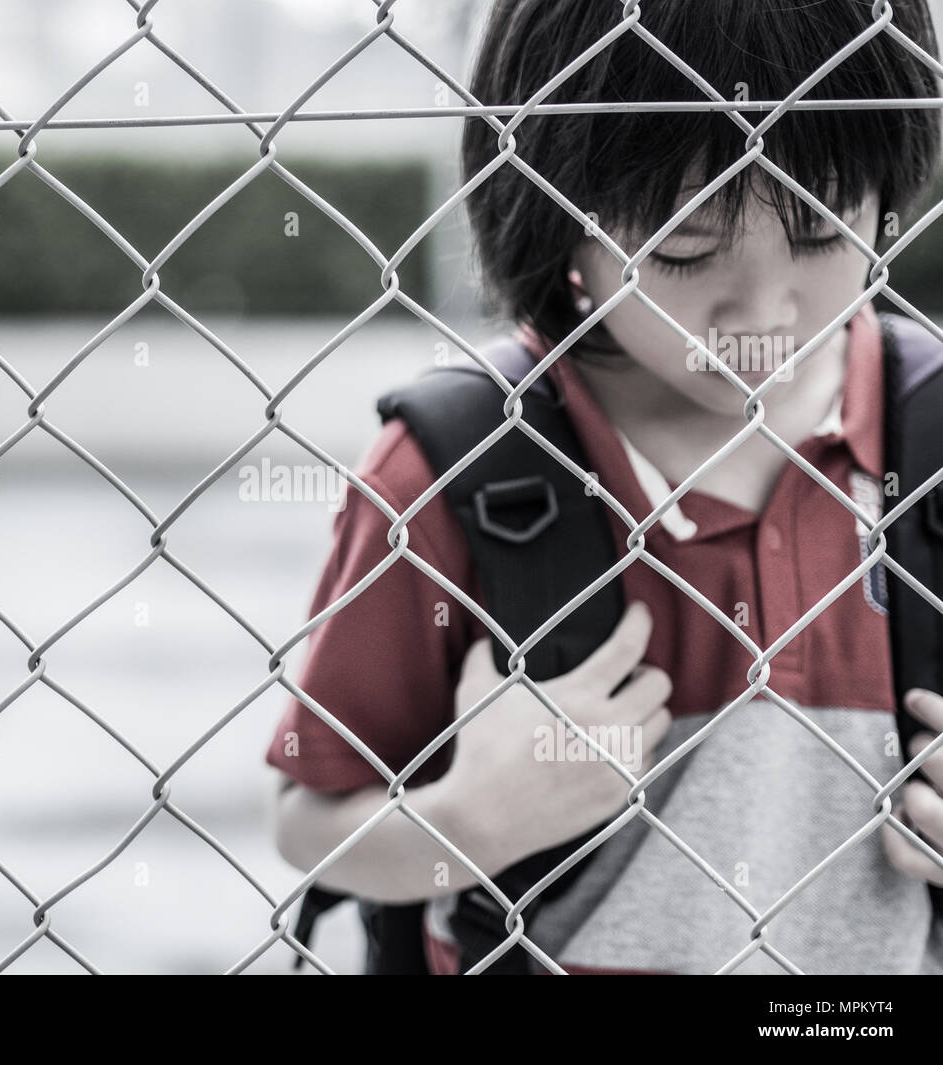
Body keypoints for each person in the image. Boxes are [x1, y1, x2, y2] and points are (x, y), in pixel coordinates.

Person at [265, 0, 943, 974]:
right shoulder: (459, 471)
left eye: (819, 229)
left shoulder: (928, 440)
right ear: (554, 223)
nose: (762, 309)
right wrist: (464, 824)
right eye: (683, 246)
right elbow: (304, 815)